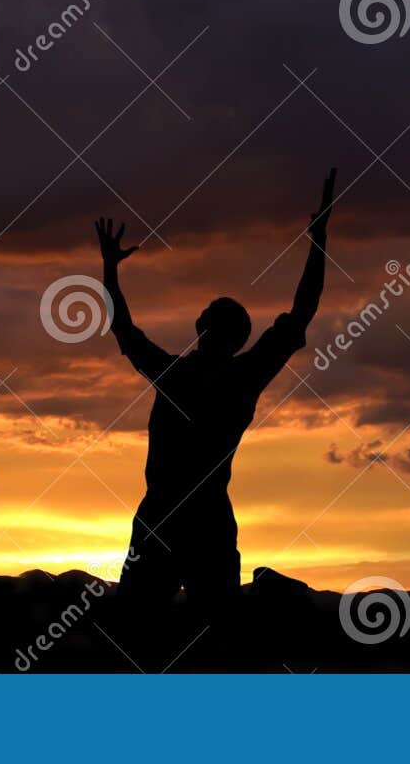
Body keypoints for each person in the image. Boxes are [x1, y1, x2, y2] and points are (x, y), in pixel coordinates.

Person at [95, 168, 336, 611]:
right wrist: (318, 240)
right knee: (209, 635)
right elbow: (302, 311)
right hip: (191, 521)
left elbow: (122, 328)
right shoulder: (238, 376)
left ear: (202, 329)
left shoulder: (181, 375)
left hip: (169, 519)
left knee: (147, 635)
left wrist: (110, 270)